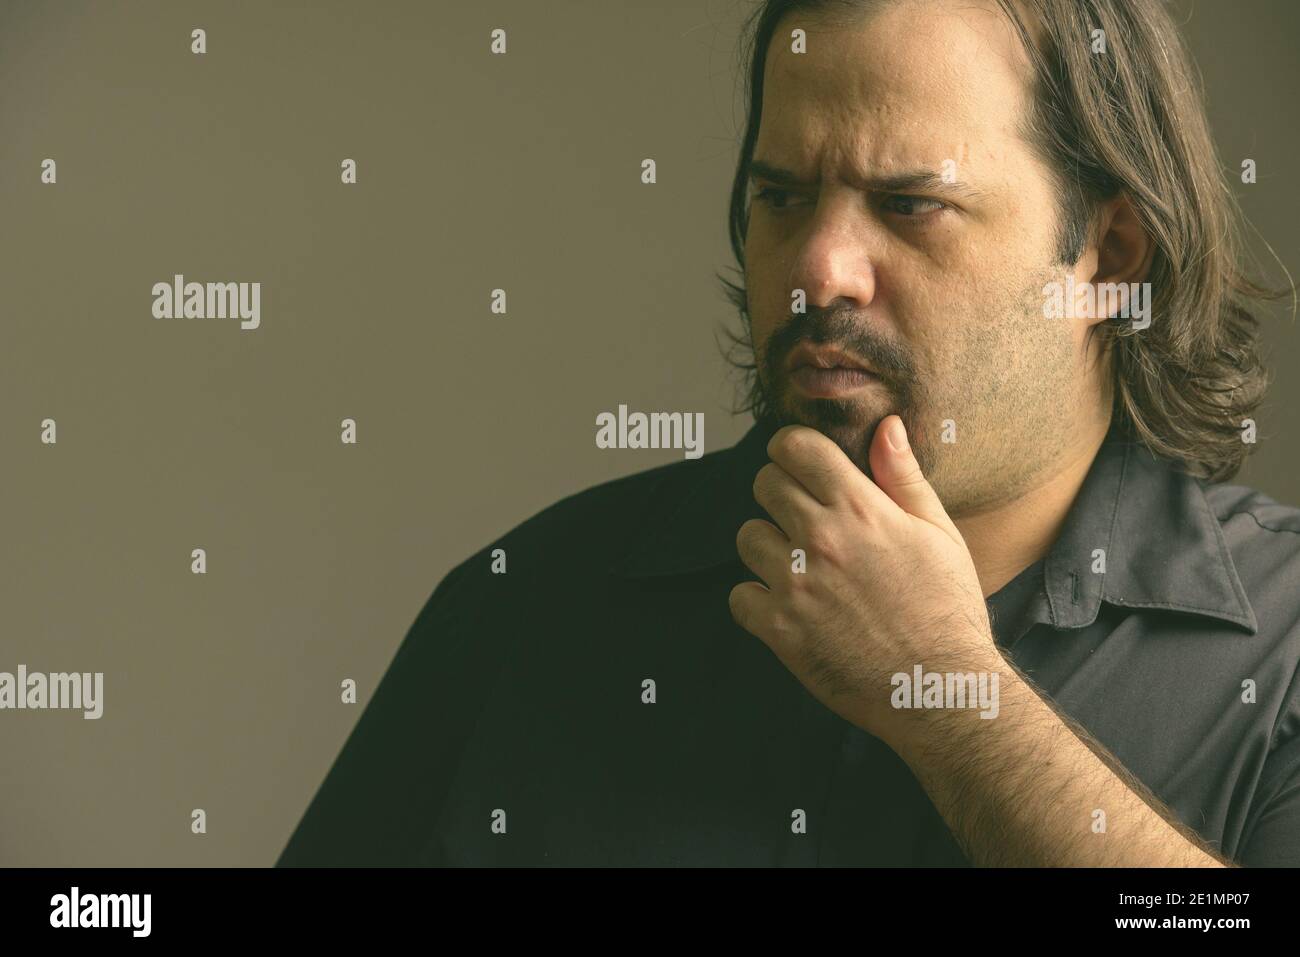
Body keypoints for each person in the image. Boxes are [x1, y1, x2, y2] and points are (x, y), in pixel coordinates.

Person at [278, 0, 1300, 866]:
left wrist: (949, 699)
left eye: (909, 205)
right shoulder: (523, 609)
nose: (818, 270)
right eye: (781, 196)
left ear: (1108, 260)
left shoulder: (1283, 656)